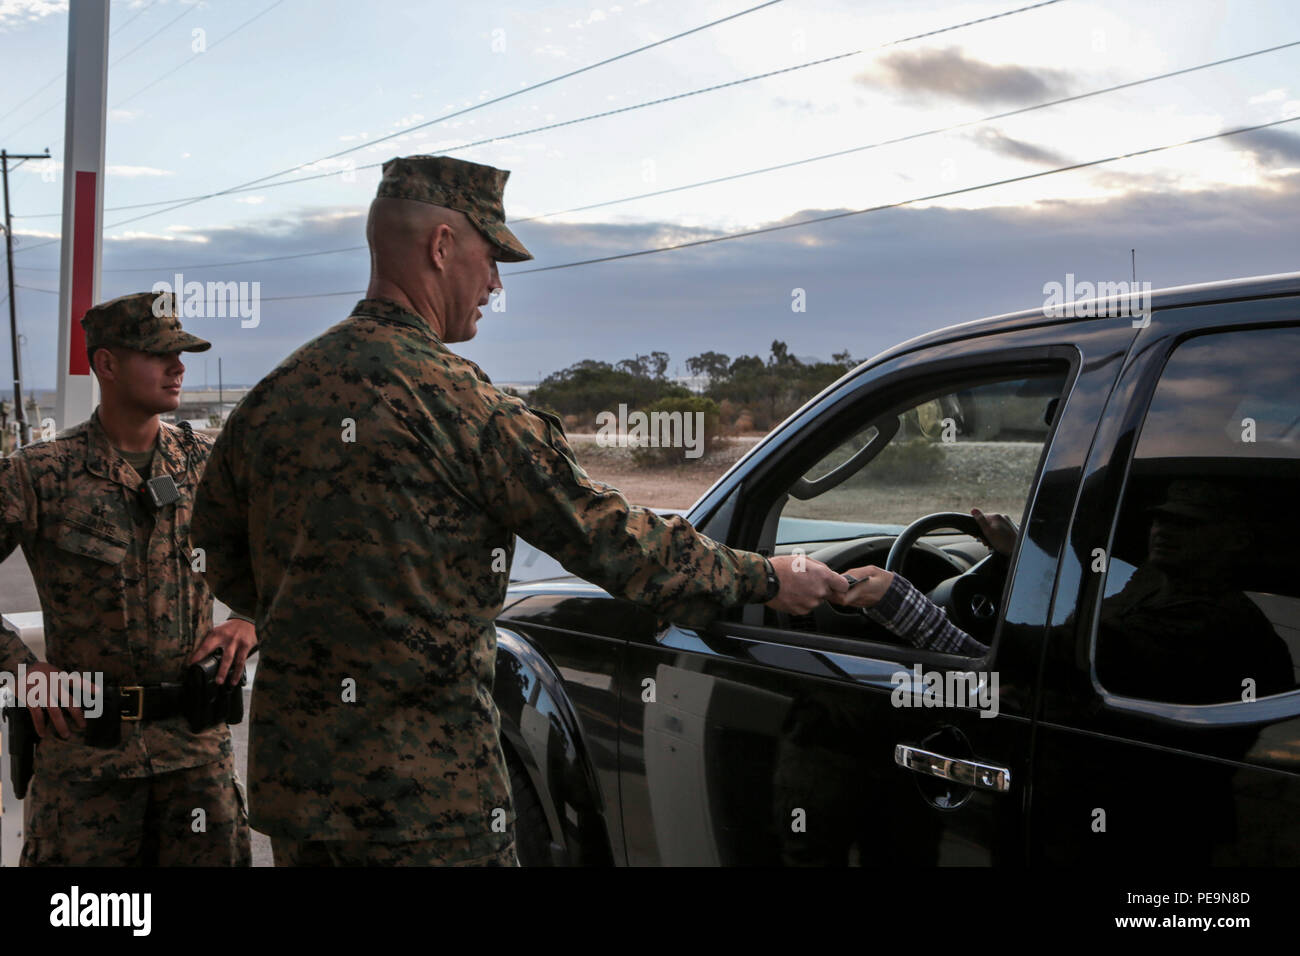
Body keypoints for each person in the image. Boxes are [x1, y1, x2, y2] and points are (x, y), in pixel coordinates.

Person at [191, 154, 847, 867]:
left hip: (305, 799)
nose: (497, 283)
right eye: (491, 257)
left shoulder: (271, 399)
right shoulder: (463, 404)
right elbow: (612, 541)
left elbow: (222, 555)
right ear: (441, 247)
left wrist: (330, 611)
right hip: (429, 804)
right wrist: (769, 578)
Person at [0, 292, 255, 866]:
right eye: (158, 354)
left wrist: (248, 619)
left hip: (196, 758)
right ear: (107, 364)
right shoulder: (40, 473)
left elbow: (290, 547)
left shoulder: (207, 464)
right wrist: (20, 667)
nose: (178, 367)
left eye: (181, 354)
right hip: (86, 762)